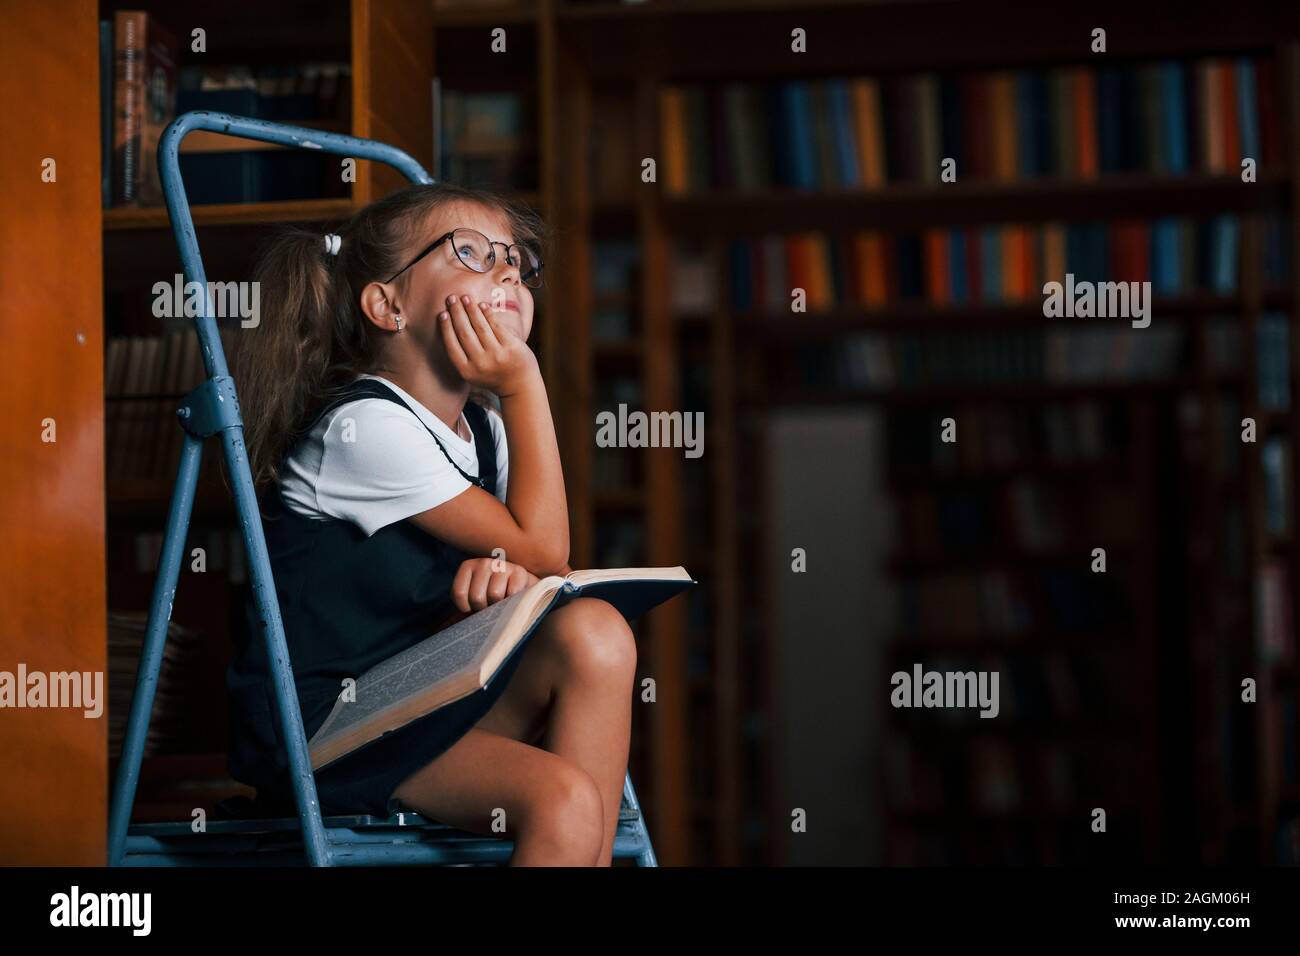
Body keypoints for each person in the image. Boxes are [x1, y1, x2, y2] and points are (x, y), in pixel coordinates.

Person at [225, 182, 636, 866]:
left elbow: (542, 575)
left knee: (597, 632)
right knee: (563, 800)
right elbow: (546, 545)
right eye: (471, 252)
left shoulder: (488, 431)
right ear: (388, 305)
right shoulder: (364, 428)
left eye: (515, 258)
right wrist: (523, 381)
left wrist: (491, 588)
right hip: (326, 728)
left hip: (417, 698)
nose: (507, 270)